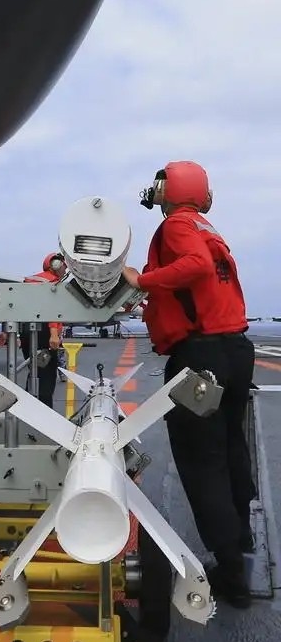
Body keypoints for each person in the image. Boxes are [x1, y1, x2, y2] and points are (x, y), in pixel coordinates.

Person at [122, 161, 256, 609]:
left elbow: (194, 268)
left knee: (204, 462)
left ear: (170, 188)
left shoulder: (178, 225)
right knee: (231, 449)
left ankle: (231, 573)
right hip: (234, 350)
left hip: (201, 358)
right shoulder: (206, 226)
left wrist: (143, 281)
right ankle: (243, 540)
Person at [0, 253, 66, 408]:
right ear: (55, 265)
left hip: (26, 332)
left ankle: (28, 407)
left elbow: (13, 306)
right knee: (47, 375)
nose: (64, 269)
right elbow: (52, 309)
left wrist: (7, 332)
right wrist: (54, 334)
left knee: (34, 370)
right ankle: (43, 414)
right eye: (63, 266)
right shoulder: (53, 283)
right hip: (45, 332)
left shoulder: (29, 281)